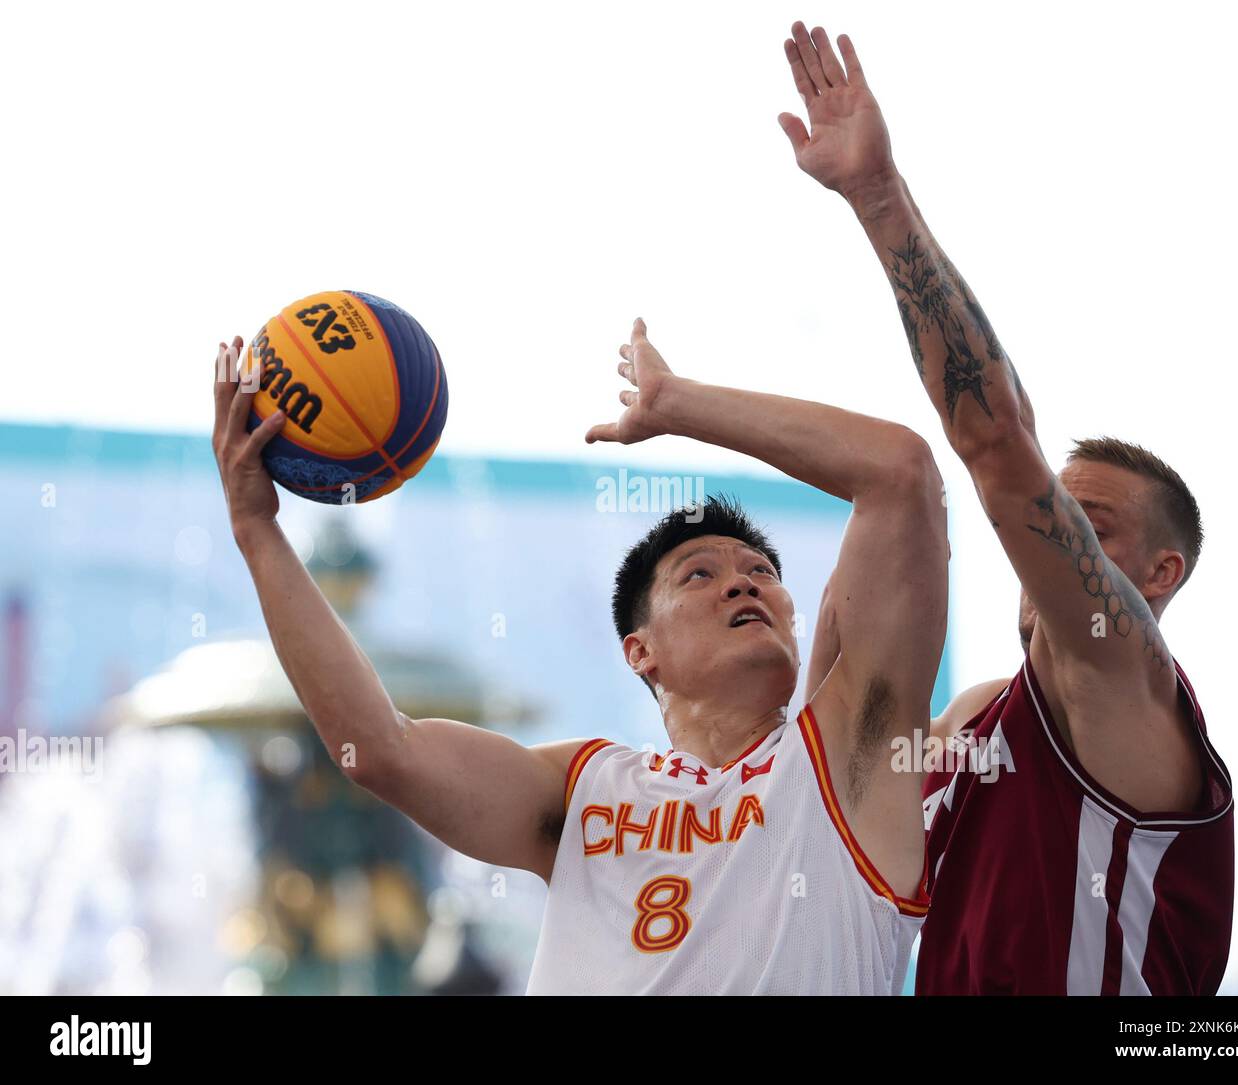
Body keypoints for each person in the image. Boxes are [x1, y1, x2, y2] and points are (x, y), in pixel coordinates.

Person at [211, 317, 948, 995]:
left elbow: (899, 472)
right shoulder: (583, 788)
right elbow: (377, 749)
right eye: (702, 573)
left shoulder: (849, 765)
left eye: (761, 573)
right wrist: (256, 529)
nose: (742, 584)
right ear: (641, 651)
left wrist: (678, 404)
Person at [779, 21, 1233, 994]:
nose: (1052, 537)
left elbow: (994, 442)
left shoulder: (1126, 681)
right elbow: (828, 787)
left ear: (1162, 574)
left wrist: (876, 195)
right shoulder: (979, 719)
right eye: (1058, 514)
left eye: (1092, 527)